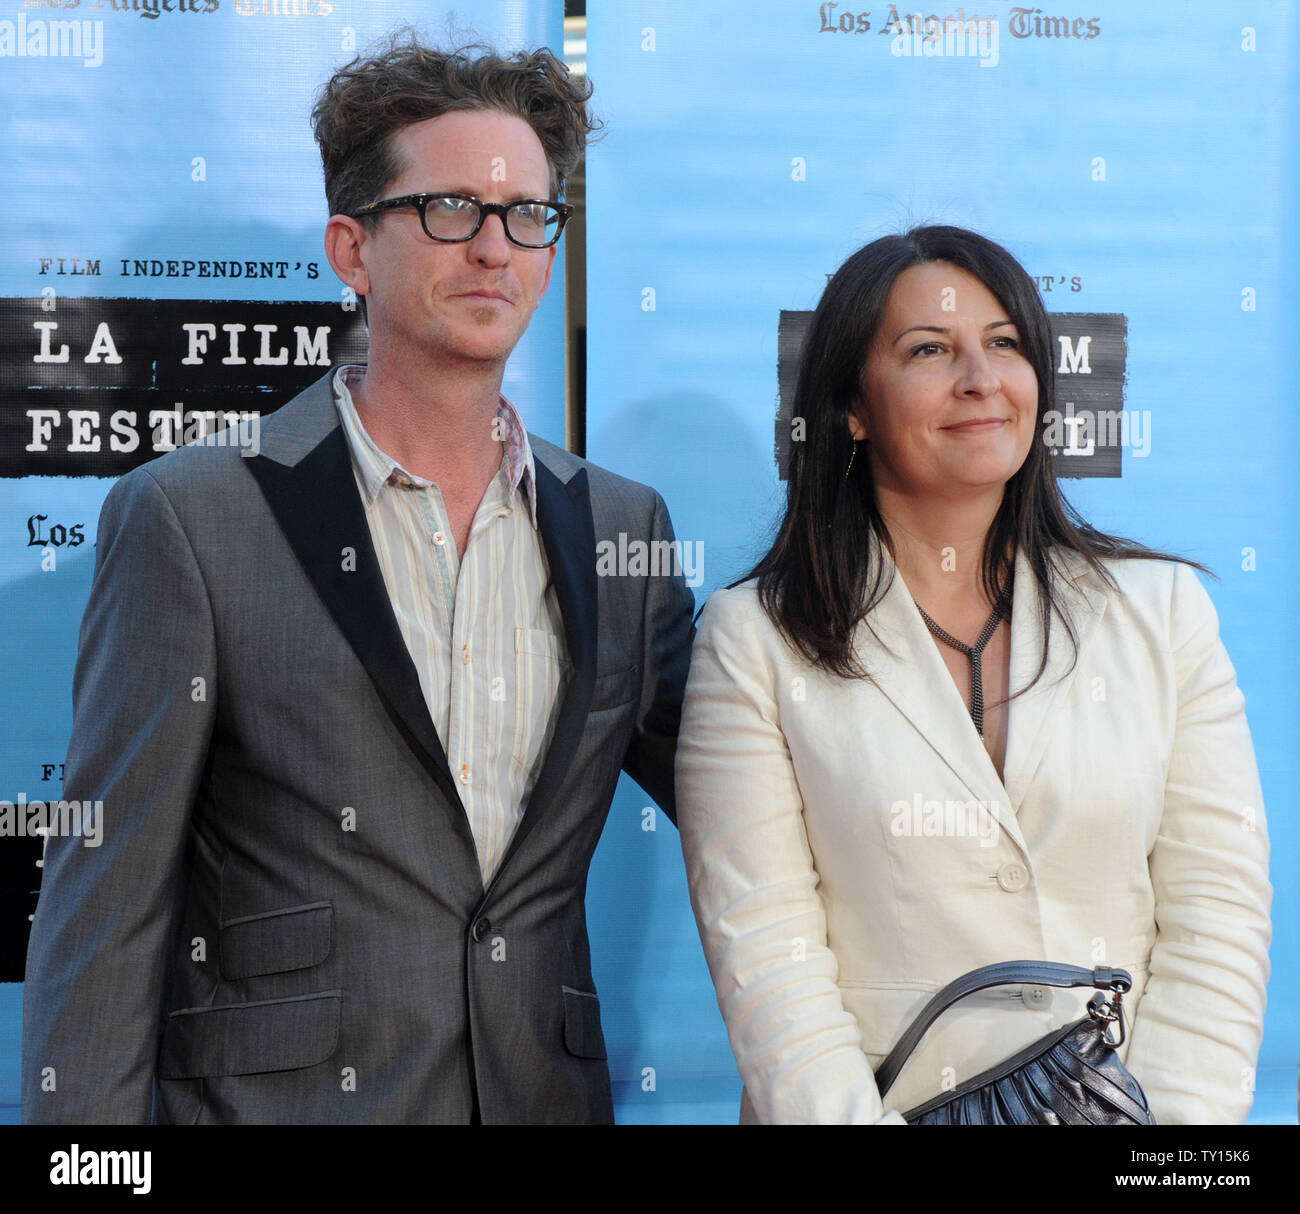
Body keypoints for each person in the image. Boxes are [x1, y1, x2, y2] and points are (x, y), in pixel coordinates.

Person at [23, 35, 694, 1125]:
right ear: (351, 247)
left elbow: (741, 792)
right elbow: (105, 903)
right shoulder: (194, 516)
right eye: (448, 210)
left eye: (528, 213)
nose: (494, 247)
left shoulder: (622, 528)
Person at [676, 225, 1271, 1125]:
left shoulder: (1163, 613)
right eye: (929, 350)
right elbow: (768, 960)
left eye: (1005, 345)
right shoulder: (753, 640)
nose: (981, 379)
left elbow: (1218, 916)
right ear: (852, 406)